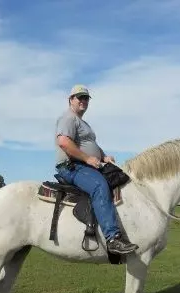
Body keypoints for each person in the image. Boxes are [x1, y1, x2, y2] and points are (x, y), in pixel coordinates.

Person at [55, 84, 139, 255]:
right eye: (80, 97)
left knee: (120, 178)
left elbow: (91, 145)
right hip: (71, 167)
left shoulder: (83, 123)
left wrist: (103, 156)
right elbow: (64, 142)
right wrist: (87, 158)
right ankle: (113, 238)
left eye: (86, 98)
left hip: (85, 165)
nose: (83, 101)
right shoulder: (68, 118)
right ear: (70, 100)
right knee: (100, 185)